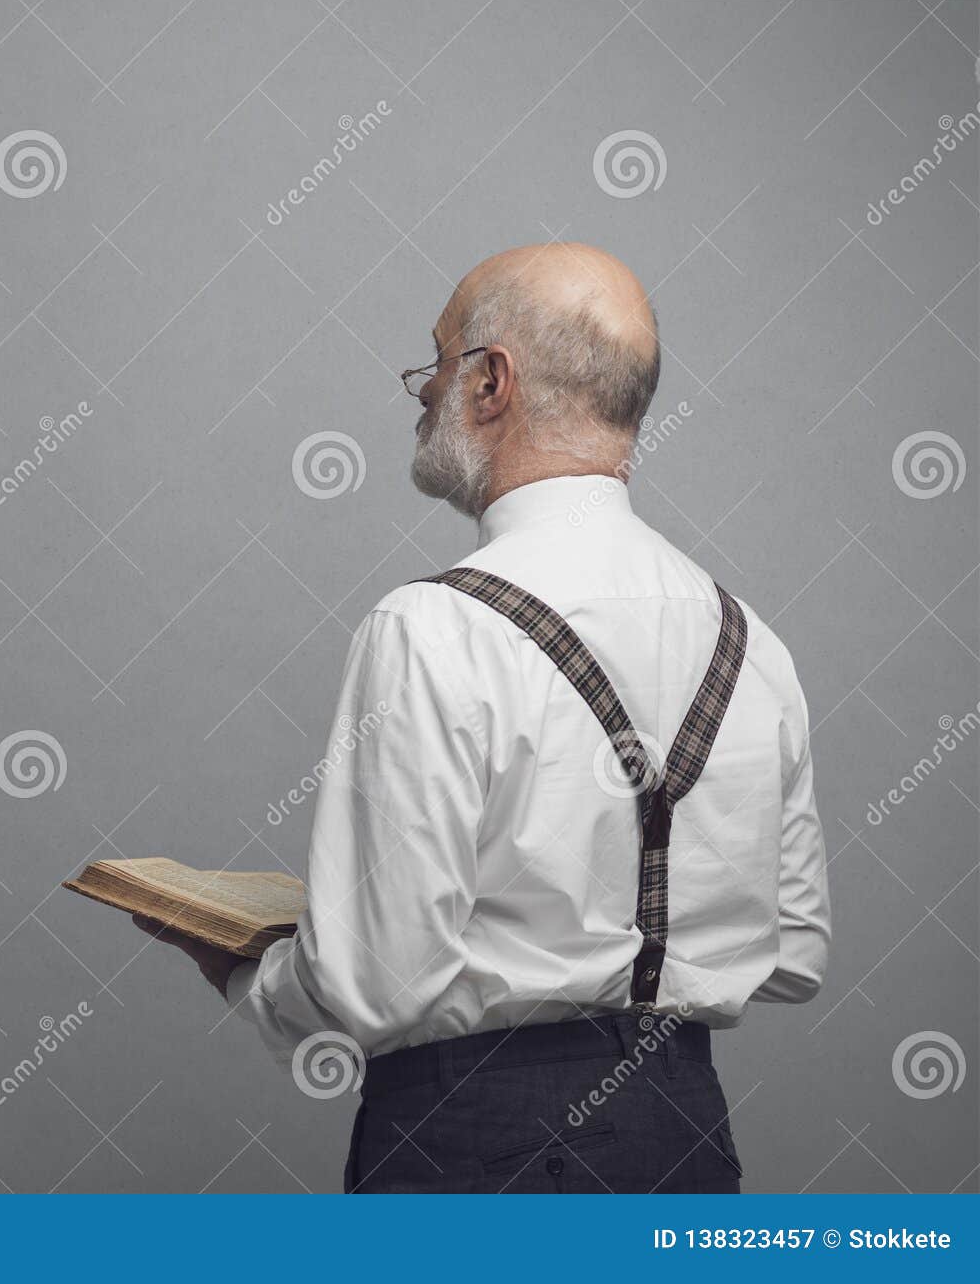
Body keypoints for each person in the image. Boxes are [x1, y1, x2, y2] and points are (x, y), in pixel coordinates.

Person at [136, 243, 830, 1193]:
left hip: (475, 1146)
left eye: (438, 363)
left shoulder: (432, 627)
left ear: (492, 380)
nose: (421, 393)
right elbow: (793, 950)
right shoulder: (754, 642)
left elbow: (375, 984)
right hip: (684, 1139)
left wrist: (242, 970)